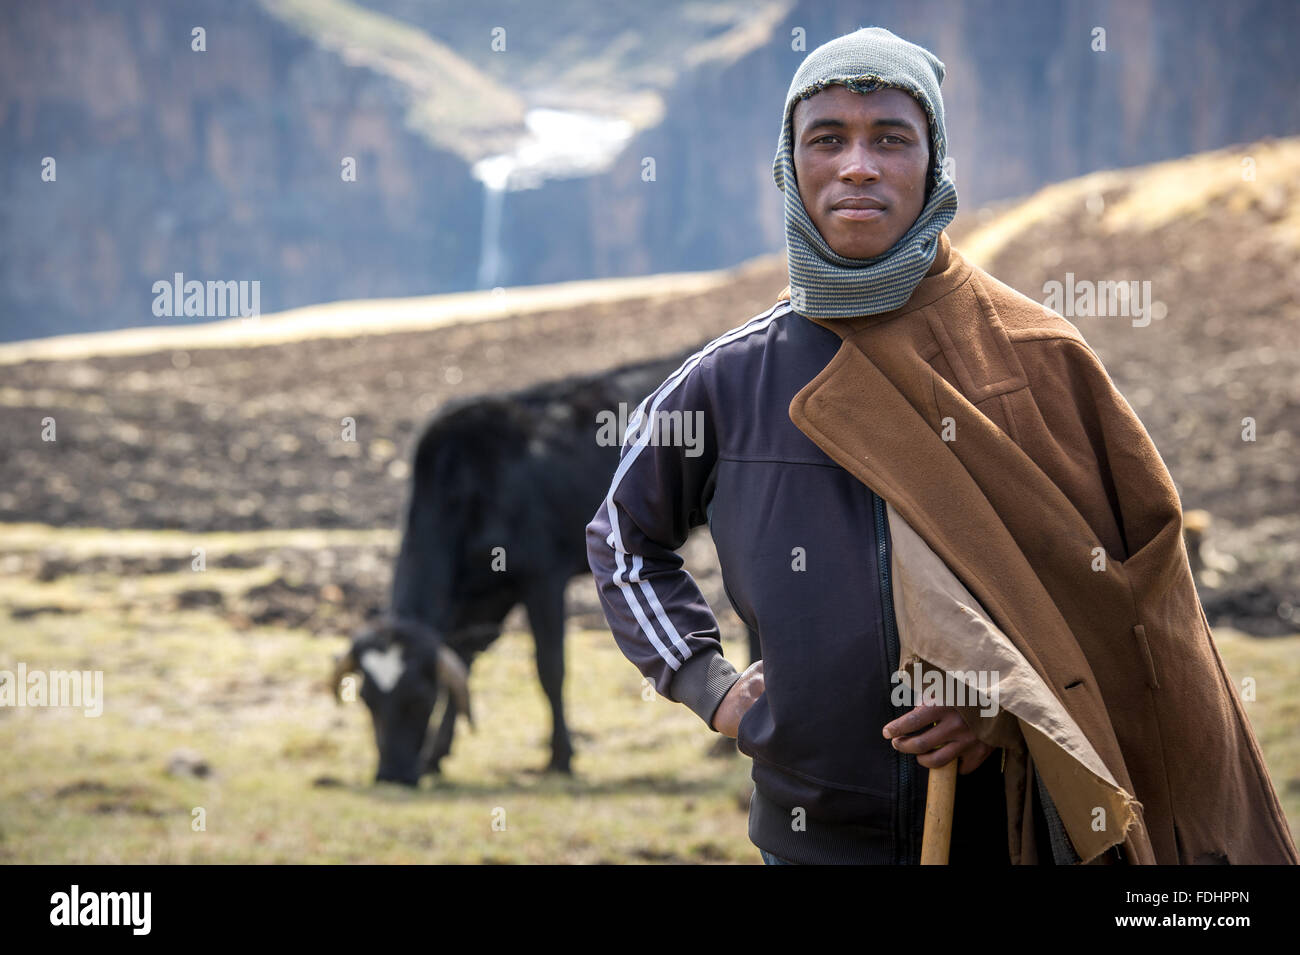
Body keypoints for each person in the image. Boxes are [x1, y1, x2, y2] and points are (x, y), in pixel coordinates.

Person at [586, 26, 1298, 866]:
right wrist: (712, 688)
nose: (859, 165)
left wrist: (1003, 703)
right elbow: (622, 537)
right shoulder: (729, 379)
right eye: (828, 140)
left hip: (1010, 829)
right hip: (808, 835)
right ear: (789, 168)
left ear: (935, 164)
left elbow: (1129, 605)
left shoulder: (1038, 356)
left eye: (891, 138)